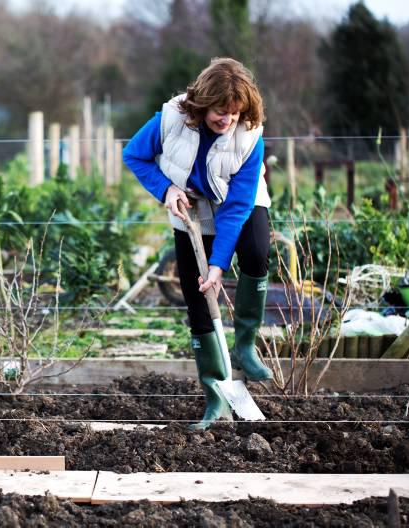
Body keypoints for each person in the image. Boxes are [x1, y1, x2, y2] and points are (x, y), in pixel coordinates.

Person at [123, 57, 272, 430]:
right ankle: (215, 400)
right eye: (221, 113)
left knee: (255, 250)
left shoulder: (250, 136)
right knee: (197, 296)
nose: (227, 122)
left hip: (240, 200)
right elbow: (134, 155)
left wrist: (220, 264)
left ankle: (246, 343)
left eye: (235, 115)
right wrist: (166, 188)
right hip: (189, 206)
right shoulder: (171, 119)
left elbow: (237, 207)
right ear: (204, 104)